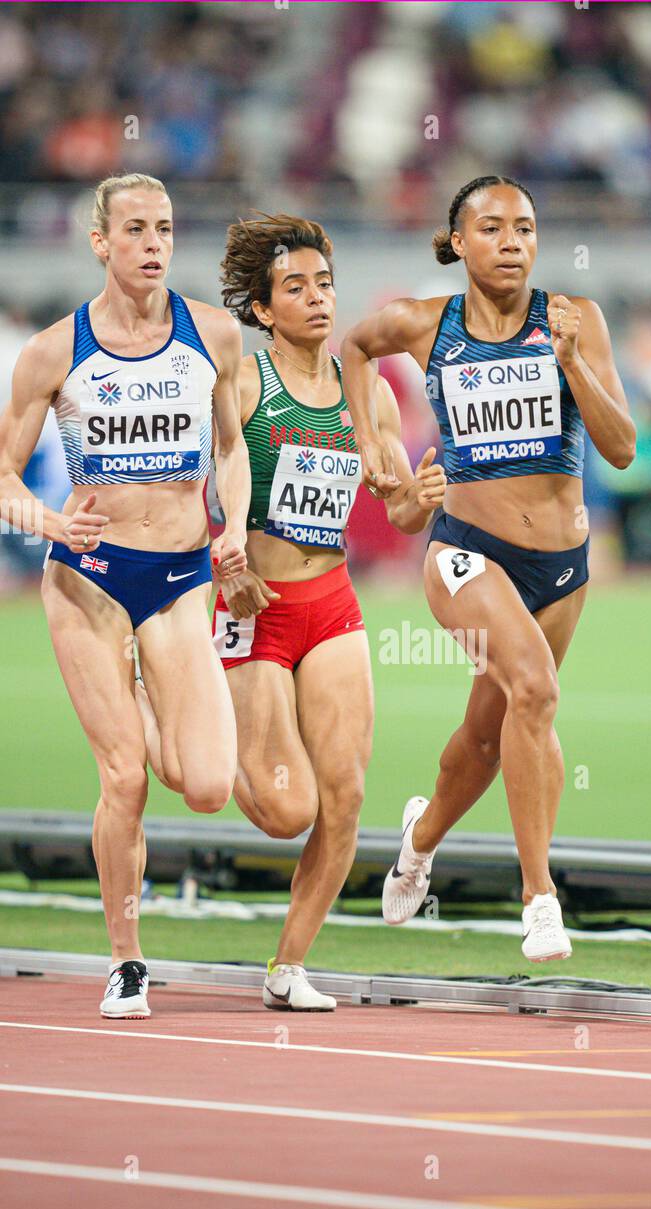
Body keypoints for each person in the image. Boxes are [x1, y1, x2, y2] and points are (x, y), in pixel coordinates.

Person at [341, 175, 636, 962]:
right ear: (460, 243)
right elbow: (354, 347)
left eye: (526, 229)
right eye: (494, 229)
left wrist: (573, 365)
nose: (513, 242)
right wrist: (378, 448)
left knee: (487, 734)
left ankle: (418, 840)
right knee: (536, 689)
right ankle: (539, 896)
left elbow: (622, 447)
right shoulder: (425, 325)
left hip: (562, 567)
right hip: (467, 549)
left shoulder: (576, 321)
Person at [0, 173, 250, 1019]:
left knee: (209, 783)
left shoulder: (213, 336)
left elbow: (231, 448)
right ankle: (126, 957)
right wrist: (43, 520)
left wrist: (235, 524)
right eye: (135, 230)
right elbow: (2, 476)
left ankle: (139, 684)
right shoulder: (53, 352)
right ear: (100, 242)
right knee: (126, 777)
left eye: (166, 229)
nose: (153, 244)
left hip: (180, 580)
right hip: (89, 582)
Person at [215, 213, 445, 1011]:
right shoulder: (246, 382)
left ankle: (287, 968)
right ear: (263, 307)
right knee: (287, 809)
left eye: (324, 283)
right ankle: (193, 720)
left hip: (330, 602)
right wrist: (225, 543)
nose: (316, 299)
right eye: (294, 287)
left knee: (344, 797)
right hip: (255, 604)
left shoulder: (368, 388)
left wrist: (416, 498)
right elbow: (210, 474)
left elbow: (403, 515)